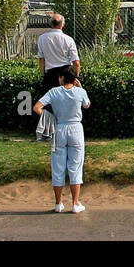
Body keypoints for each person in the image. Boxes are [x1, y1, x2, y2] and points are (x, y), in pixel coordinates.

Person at [33, 66, 90, 214]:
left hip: (59, 128)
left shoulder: (54, 92)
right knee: (75, 166)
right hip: (76, 128)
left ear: (62, 78)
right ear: (74, 79)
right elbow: (87, 105)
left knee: (58, 166)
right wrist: (80, 87)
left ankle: (58, 203)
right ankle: (75, 203)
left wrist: (49, 118)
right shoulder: (80, 92)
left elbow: (37, 107)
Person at [35, 13, 80, 141]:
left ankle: (49, 132)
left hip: (50, 73)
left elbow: (42, 60)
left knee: (48, 104)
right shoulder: (68, 39)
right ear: (62, 24)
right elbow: (76, 62)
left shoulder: (42, 38)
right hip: (66, 72)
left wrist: (43, 75)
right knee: (67, 103)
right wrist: (75, 76)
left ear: (51, 24)